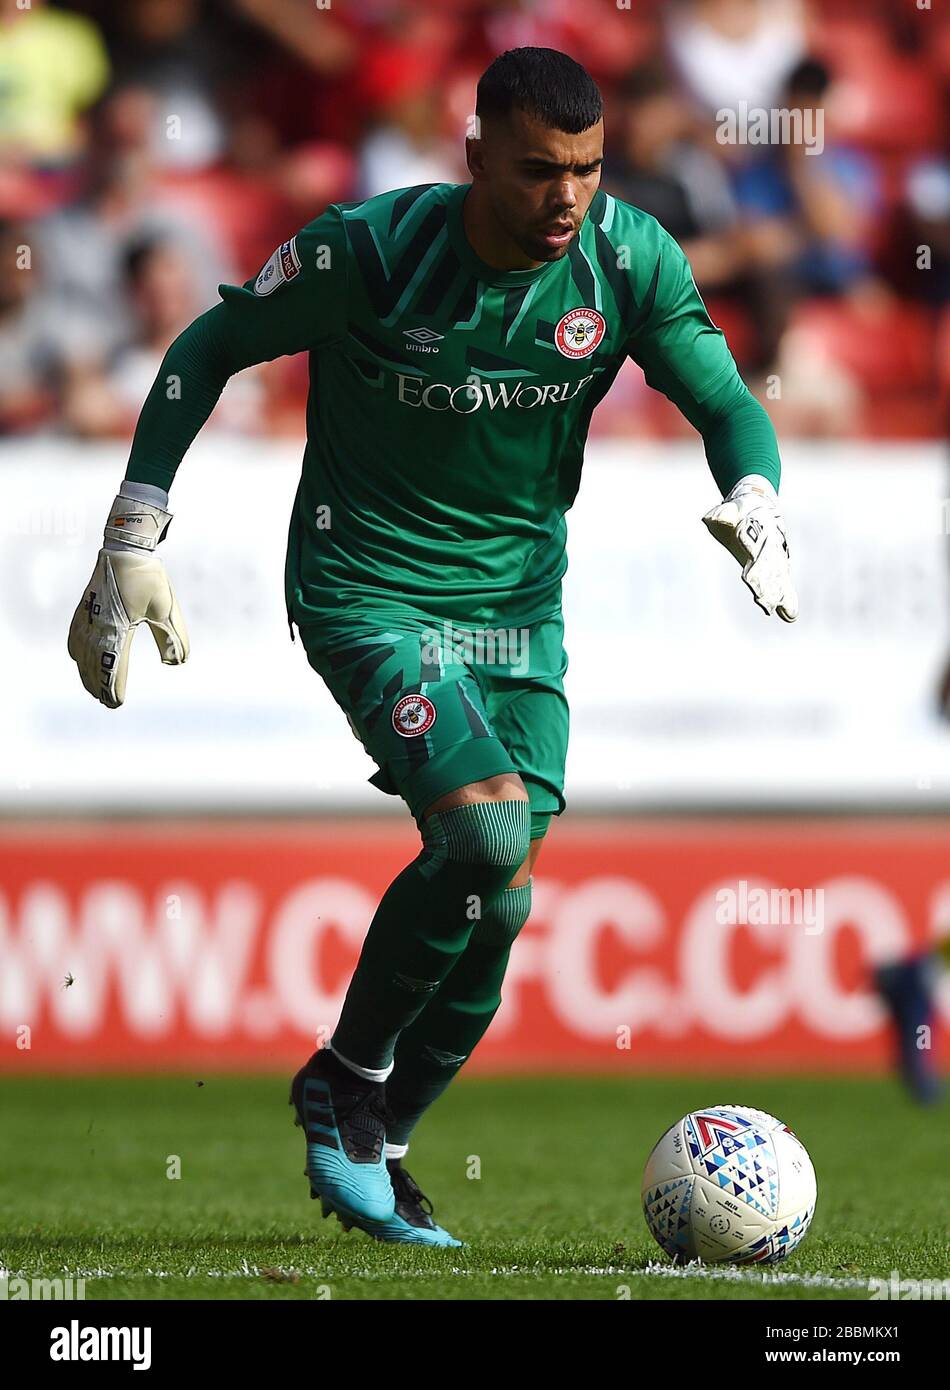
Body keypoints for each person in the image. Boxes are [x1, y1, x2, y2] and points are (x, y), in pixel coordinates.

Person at [67, 47, 797, 1246]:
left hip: (518, 606)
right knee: (482, 829)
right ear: (470, 160)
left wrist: (758, 495)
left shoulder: (624, 258)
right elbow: (207, 350)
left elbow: (722, 398)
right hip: (367, 585)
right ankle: (341, 1080)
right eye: (534, 172)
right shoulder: (372, 251)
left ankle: (386, 1136)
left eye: (586, 169)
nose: (566, 197)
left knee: (500, 899)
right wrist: (136, 526)